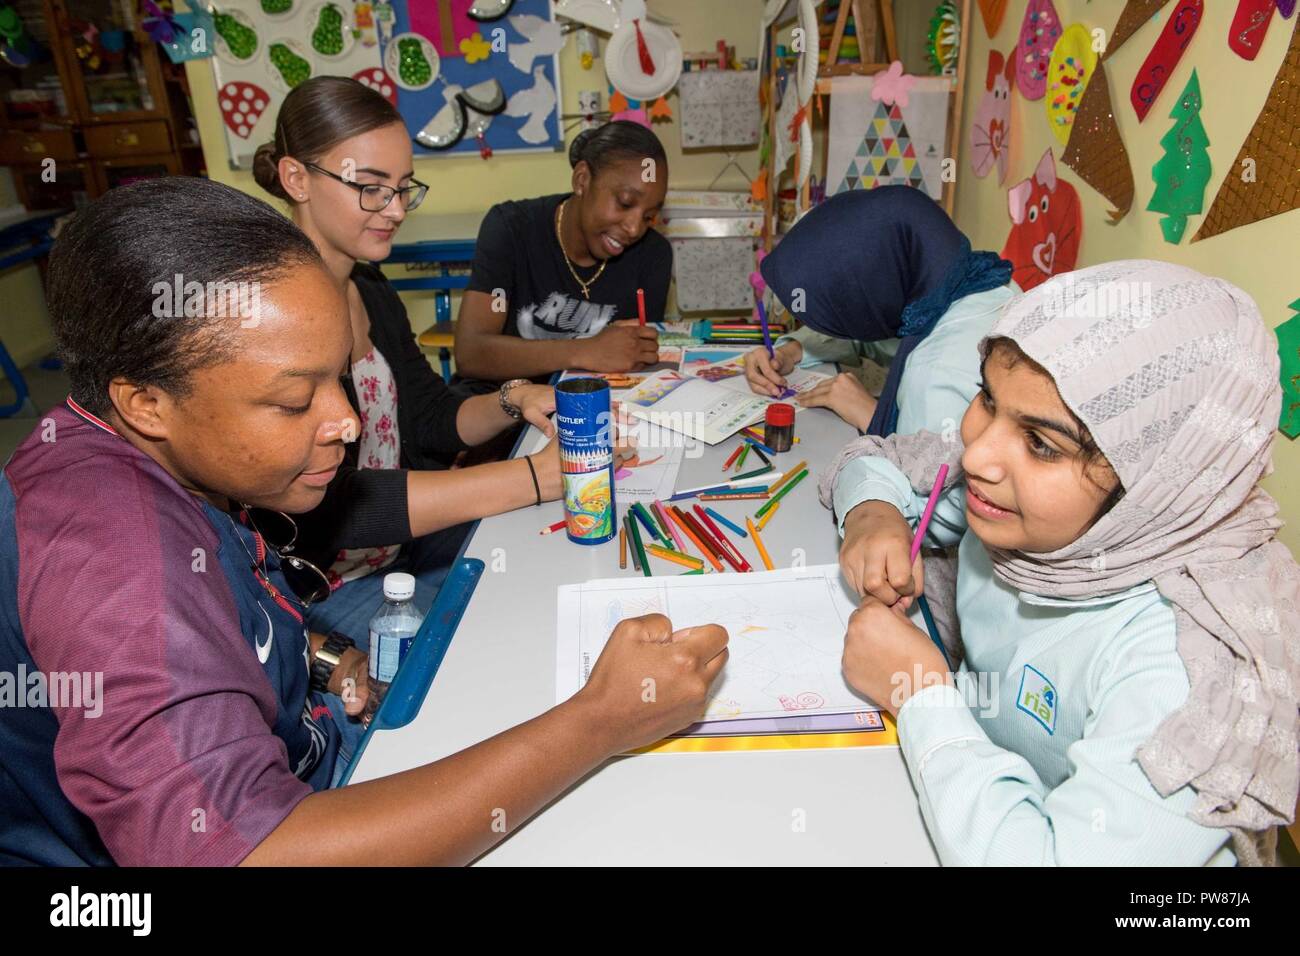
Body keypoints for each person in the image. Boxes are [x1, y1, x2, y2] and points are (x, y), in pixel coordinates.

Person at [0, 177, 728, 865]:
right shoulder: (116, 564)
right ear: (146, 402)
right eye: (293, 402)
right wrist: (598, 721)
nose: (347, 422)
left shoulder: (145, 448)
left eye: (337, 379)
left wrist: (316, 655)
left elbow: (218, 614)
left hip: (313, 734)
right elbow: (252, 853)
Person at [823, 260, 1299, 865]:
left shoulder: (1196, 670)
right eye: (987, 398)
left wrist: (920, 694)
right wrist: (872, 515)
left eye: (1042, 444)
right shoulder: (1025, 499)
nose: (978, 455)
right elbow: (887, 462)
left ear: (1150, 485)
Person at [453, 120, 672, 385]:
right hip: (504, 406)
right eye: (625, 203)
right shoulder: (512, 230)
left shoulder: (652, 254)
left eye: (649, 216)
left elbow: (636, 363)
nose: (635, 228)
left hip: (591, 411)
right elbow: (472, 353)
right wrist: (586, 350)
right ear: (582, 180)